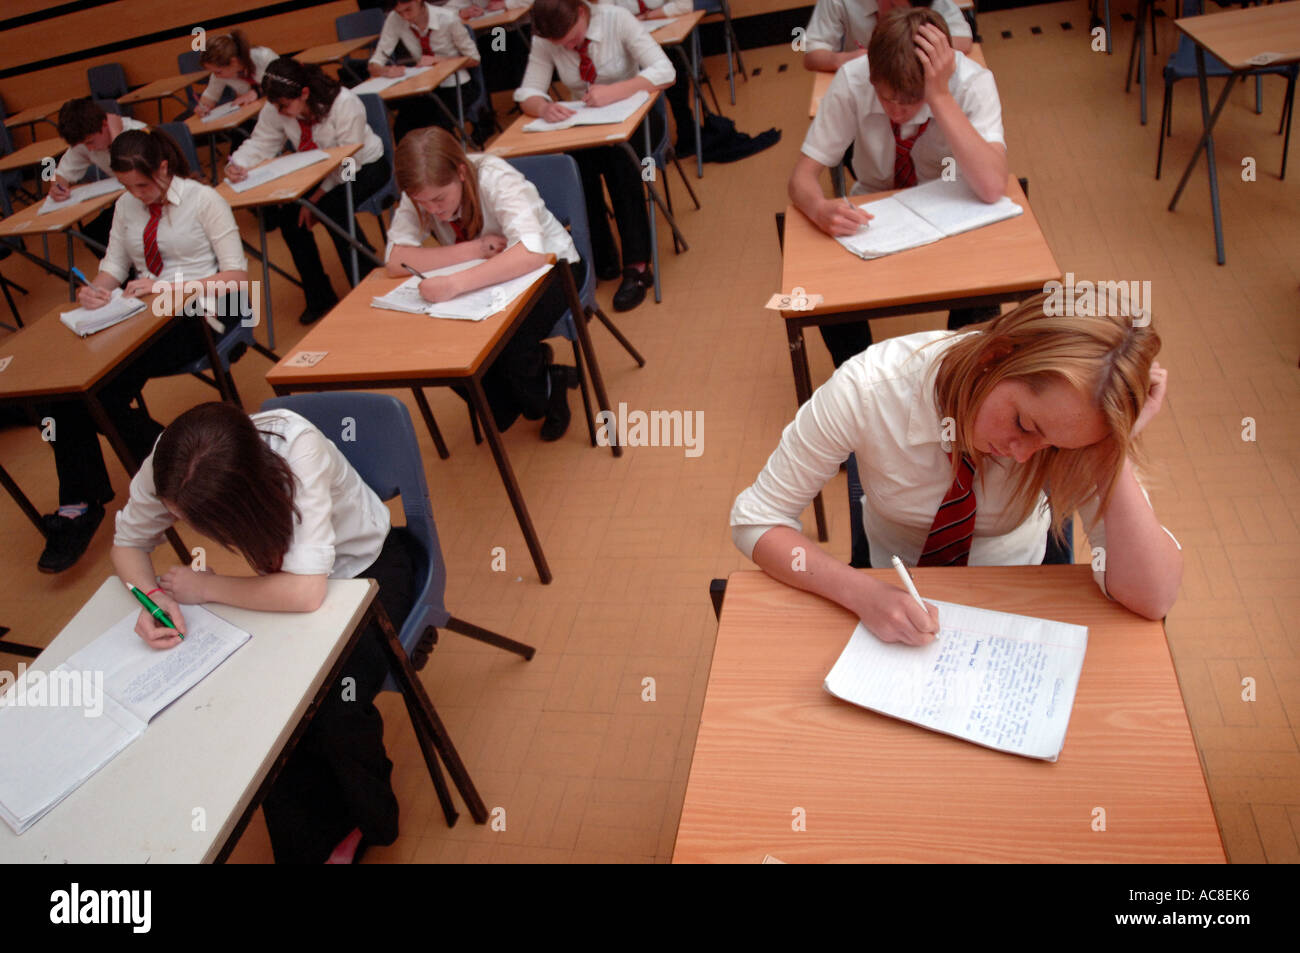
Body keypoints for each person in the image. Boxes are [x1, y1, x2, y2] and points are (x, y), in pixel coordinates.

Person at [730, 297, 1183, 647]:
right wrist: (862, 593)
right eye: (1023, 424)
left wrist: (1113, 450)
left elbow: (1152, 596)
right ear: (994, 357)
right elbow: (757, 519)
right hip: (896, 582)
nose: (1024, 456)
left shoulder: (1075, 420)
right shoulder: (868, 389)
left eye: (1053, 445)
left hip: (1018, 592)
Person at [110, 401, 414, 864]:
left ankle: (368, 819)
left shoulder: (297, 449)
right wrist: (152, 596)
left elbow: (307, 594)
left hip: (365, 573)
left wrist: (207, 587)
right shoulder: (169, 465)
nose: (177, 519)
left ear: (242, 503)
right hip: (285, 585)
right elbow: (128, 542)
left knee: (332, 707)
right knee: (271, 713)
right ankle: (309, 847)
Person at [36, 129, 250, 574]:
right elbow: (115, 264)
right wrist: (96, 291)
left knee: (101, 393)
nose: (136, 196)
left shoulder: (203, 200)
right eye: (127, 187)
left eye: (143, 186)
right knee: (73, 392)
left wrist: (170, 287)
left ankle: (174, 469)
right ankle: (84, 501)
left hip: (199, 311)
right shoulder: (126, 205)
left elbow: (236, 277)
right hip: (144, 311)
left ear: (164, 168)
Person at [790, 7, 1005, 367]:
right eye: (887, 97)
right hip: (878, 209)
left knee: (983, 288)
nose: (898, 111)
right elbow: (800, 179)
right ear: (872, 76)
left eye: (911, 100)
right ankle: (855, 377)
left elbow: (992, 187)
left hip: (951, 206)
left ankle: (962, 372)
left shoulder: (971, 83)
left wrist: (939, 97)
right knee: (831, 287)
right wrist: (819, 208)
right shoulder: (853, 79)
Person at [385, 127, 580, 440]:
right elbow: (396, 261)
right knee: (446, 356)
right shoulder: (421, 194)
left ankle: (548, 382)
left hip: (554, 271)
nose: (433, 210)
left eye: (439, 199)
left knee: (508, 346)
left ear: (462, 172)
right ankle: (533, 380)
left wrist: (453, 283)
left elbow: (530, 254)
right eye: (423, 203)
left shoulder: (495, 177)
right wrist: (475, 250)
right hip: (486, 279)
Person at [515, 0, 675, 311]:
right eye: (561, 45)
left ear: (583, 11)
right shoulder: (545, 39)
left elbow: (665, 70)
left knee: (623, 165)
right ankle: (600, 256)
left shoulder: (617, 19)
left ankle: (637, 266)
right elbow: (527, 92)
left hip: (637, 120)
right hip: (588, 125)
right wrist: (544, 107)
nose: (569, 47)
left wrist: (618, 90)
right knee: (573, 169)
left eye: (573, 39)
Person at [226, 57, 388, 324]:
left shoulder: (344, 103)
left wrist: (316, 197)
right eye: (275, 106)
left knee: (333, 209)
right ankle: (319, 295)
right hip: (317, 169)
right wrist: (237, 164)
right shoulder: (277, 106)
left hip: (363, 166)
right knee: (289, 219)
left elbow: (349, 162)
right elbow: (261, 142)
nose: (280, 112)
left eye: (285, 106)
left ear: (304, 93)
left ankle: (367, 281)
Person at [369, 0, 484, 146]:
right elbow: (375, 63)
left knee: (436, 128)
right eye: (400, 12)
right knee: (402, 128)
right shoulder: (394, 19)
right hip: (425, 88)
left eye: (408, 10)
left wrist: (438, 60)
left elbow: (474, 59)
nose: (405, 17)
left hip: (457, 85)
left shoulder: (448, 18)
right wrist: (385, 70)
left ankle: (450, 161)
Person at [50, 98, 149, 253]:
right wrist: (57, 185)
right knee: (92, 233)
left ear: (104, 124)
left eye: (91, 142)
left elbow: (137, 174)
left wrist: (116, 136)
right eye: (85, 145)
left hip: (155, 198)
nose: (89, 149)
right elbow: (61, 174)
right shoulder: (86, 139)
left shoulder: (136, 132)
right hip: (130, 200)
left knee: (125, 233)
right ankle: (124, 275)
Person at [802, 0, 973, 73]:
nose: (901, 19)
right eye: (893, 6)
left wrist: (909, 52)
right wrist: (842, 59)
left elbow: (964, 39)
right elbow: (811, 56)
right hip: (864, 80)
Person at [194, 30, 277, 117]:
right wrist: (203, 107)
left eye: (218, 72)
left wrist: (257, 92)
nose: (216, 76)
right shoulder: (220, 74)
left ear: (234, 62)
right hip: (255, 117)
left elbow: (286, 83)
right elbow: (211, 95)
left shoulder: (265, 57)